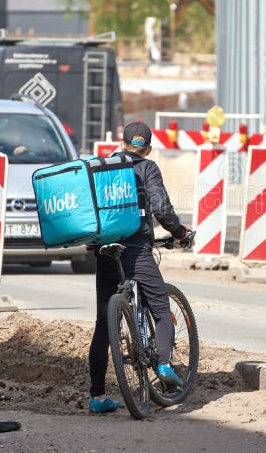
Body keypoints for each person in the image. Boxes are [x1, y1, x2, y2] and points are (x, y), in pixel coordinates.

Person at [87, 121, 192, 414]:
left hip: (105, 249)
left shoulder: (104, 168)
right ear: (147, 148)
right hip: (136, 249)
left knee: (102, 325)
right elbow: (160, 207)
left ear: (122, 144)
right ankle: (163, 364)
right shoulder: (148, 168)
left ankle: (97, 397)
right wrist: (179, 232)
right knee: (160, 307)